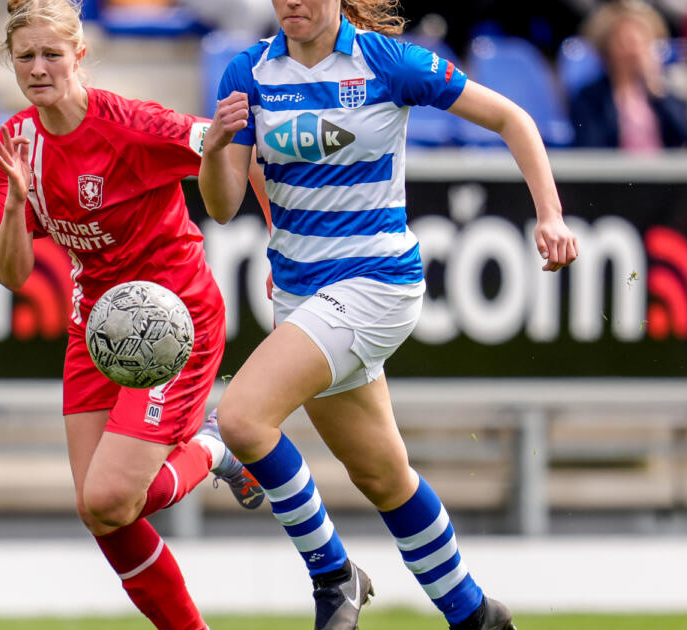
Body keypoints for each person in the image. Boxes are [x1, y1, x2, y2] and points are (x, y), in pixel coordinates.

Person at [199, 1, 579, 630]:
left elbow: (511, 118)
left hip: (376, 284)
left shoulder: (386, 61)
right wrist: (215, 150)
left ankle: (332, 575)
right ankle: (476, 615)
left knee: (239, 419)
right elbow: (221, 205)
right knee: (382, 475)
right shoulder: (248, 72)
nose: (292, 3)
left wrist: (551, 216)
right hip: (298, 295)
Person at [0, 1, 263, 629]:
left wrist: (283, 241)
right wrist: (16, 207)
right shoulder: (14, 144)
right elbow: (12, 275)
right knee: (100, 511)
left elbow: (231, 150)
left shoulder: (131, 124)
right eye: (25, 56)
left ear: (79, 55)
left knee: (112, 497)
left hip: (173, 318)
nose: (38, 68)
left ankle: (212, 447)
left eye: (51, 54)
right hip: (98, 326)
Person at [571, 0, 687, 150]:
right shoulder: (590, 99)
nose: (634, 51)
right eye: (626, 42)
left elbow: (683, 135)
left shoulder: (664, 94)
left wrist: (655, 86)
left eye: (641, 42)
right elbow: (591, 146)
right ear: (607, 47)